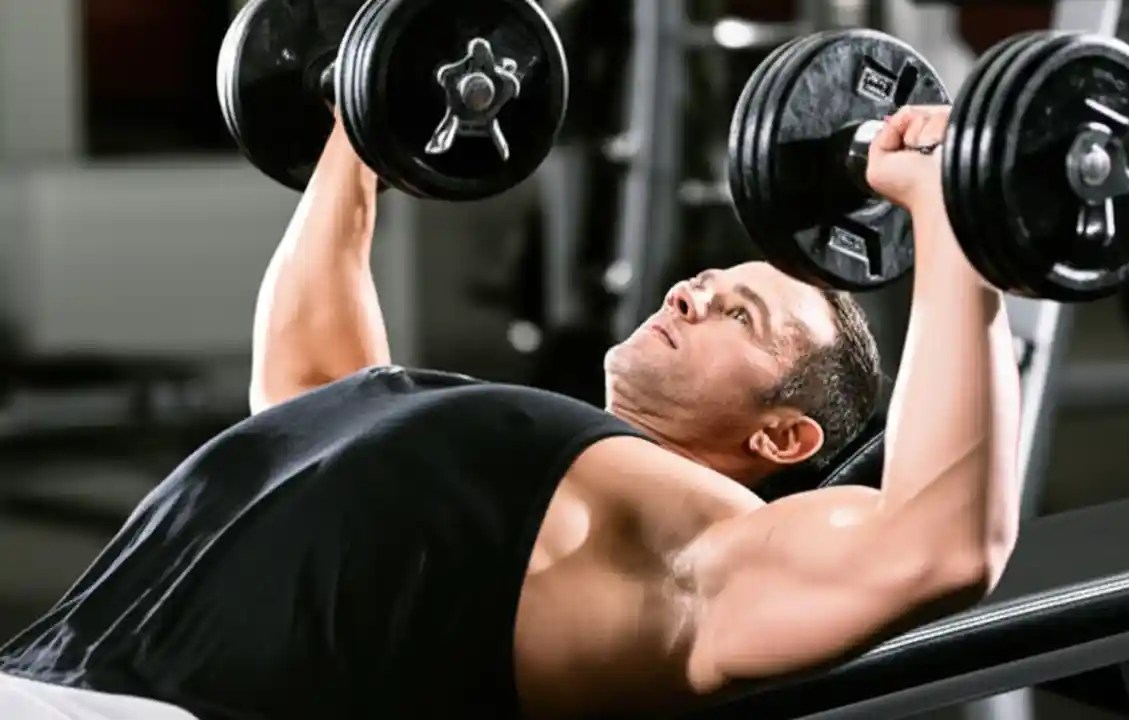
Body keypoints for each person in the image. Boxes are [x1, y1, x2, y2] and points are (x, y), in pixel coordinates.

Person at [0, 105, 1021, 720]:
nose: (689, 292)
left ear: (782, 437)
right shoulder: (507, 449)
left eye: (737, 313)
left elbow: (934, 545)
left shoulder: (698, 544)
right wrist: (364, 130)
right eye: (704, 278)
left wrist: (952, 223)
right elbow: (310, 388)